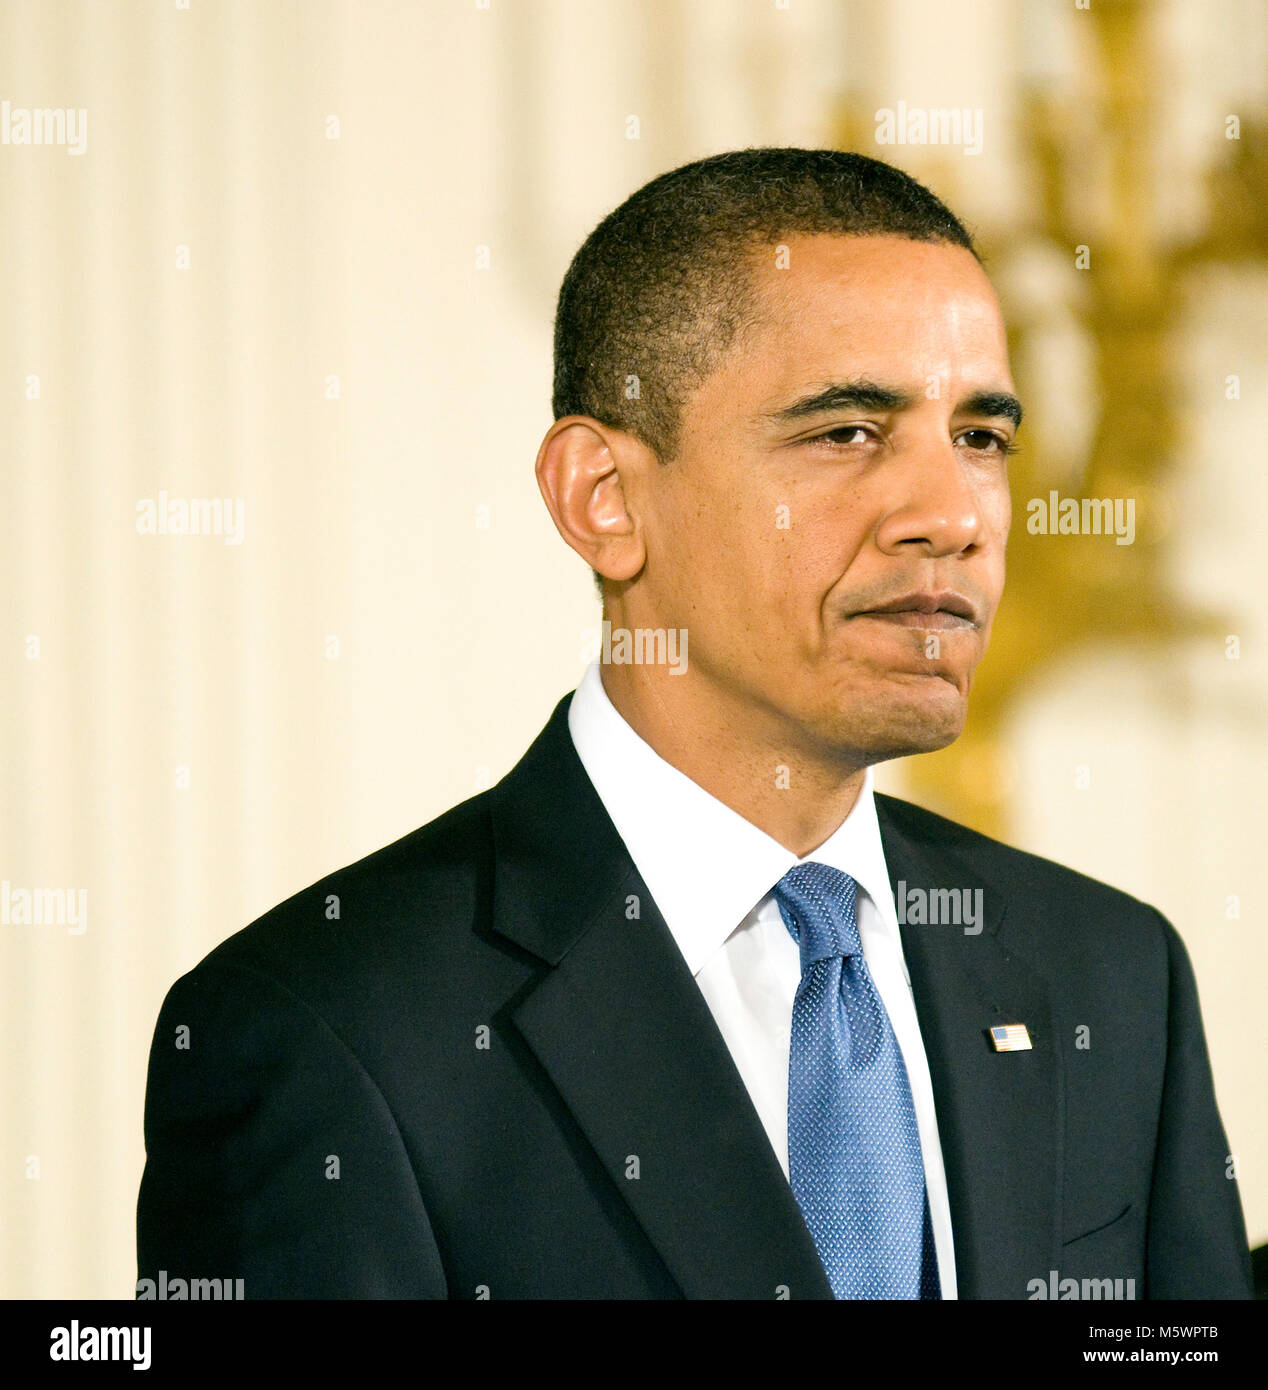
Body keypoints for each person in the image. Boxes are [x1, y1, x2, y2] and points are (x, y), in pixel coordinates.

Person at [137, 148, 1253, 1299]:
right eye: (847, 433)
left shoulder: (1110, 976)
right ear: (603, 500)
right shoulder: (328, 1029)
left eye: (980, 437)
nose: (950, 514)